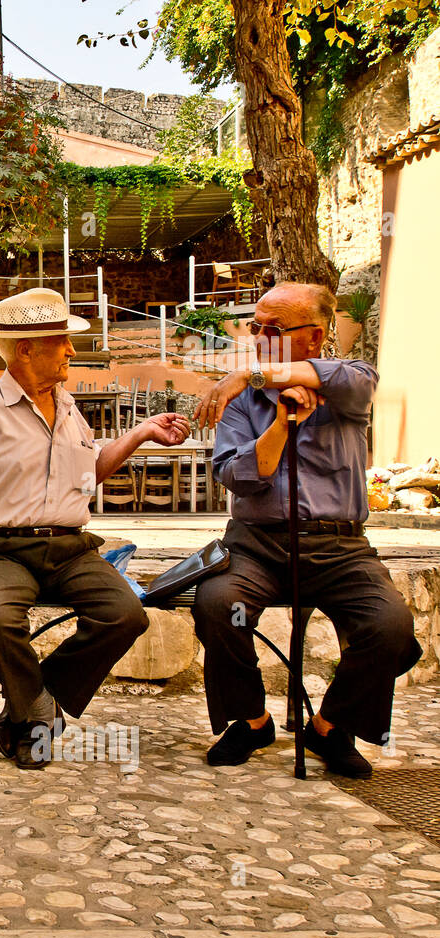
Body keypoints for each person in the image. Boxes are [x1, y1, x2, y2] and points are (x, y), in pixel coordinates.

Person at [0, 287, 190, 769]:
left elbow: (89, 470)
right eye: (62, 341)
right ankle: (36, 712)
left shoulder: (69, 405)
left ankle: (32, 706)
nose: (72, 351)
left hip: (72, 549)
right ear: (26, 349)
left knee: (126, 615)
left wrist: (141, 433)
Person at [191, 281, 421, 778]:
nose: (257, 338)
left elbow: (351, 379)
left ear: (314, 338)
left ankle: (329, 726)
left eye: (271, 330)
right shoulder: (243, 403)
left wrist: (246, 374)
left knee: (390, 627)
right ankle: (253, 721)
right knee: (216, 607)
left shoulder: (351, 381)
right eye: (254, 327)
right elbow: (236, 478)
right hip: (257, 546)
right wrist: (280, 425)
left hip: (341, 547)